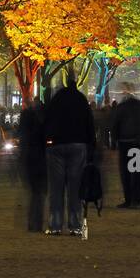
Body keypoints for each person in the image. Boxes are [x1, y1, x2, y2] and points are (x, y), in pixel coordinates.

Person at [43, 70, 95, 235]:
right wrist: (90, 145)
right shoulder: (81, 100)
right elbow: (89, 124)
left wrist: (47, 140)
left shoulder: (56, 100)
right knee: (75, 186)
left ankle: (55, 225)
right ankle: (75, 225)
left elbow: (46, 120)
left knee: (56, 187)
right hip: (78, 143)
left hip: (56, 144)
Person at [111, 83, 140, 209]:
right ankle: (137, 199)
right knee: (136, 171)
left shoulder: (121, 107)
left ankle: (128, 199)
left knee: (126, 172)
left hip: (125, 141)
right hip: (137, 142)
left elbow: (115, 124)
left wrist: (114, 140)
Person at [18, 96, 48, 232]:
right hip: (40, 158)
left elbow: (22, 137)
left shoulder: (26, 119)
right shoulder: (42, 120)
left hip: (28, 157)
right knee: (38, 193)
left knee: (34, 193)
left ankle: (32, 222)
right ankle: (37, 222)